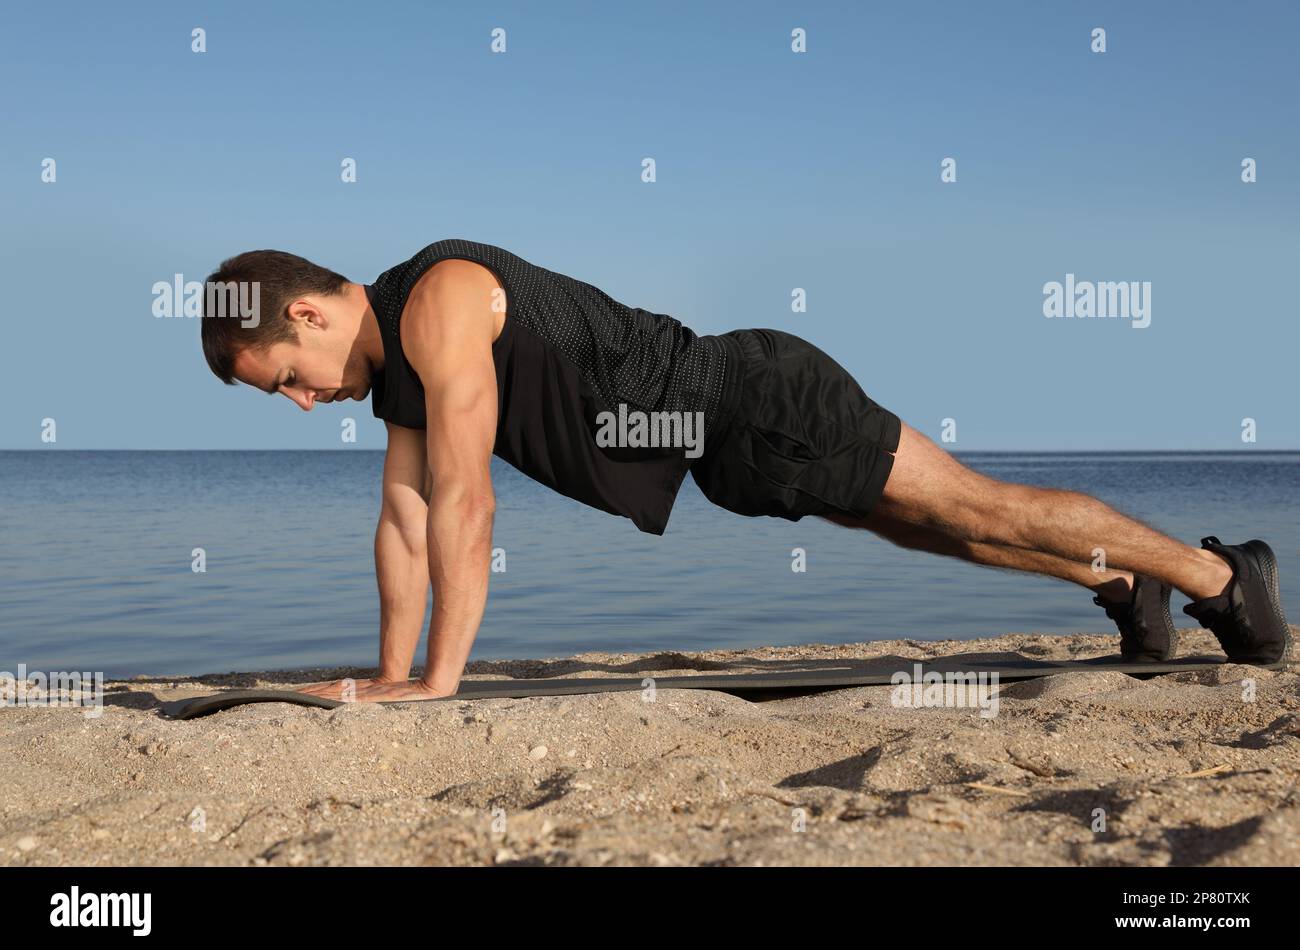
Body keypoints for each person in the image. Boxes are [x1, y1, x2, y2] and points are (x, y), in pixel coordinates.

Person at [198, 239, 1292, 701]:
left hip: (754, 396)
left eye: (287, 375)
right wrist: (393, 676)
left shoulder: (435, 301)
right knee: (926, 529)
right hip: (723, 452)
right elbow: (401, 522)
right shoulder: (394, 372)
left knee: (970, 504)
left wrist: (439, 683)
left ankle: (1216, 573)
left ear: (306, 310)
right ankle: (1114, 579)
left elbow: (462, 500)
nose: (301, 400)